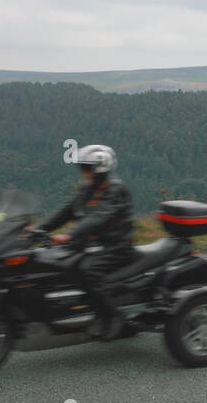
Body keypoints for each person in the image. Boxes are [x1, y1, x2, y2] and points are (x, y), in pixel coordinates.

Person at [38, 144, 135, 340]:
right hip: (93, 244)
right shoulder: (88, 188)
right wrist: (39, 229)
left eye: (87, 167)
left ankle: (114, 316)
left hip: (117, 246)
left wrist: (69, 235)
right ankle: (84, 311)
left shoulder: (115, 189)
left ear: (101, 168)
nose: (83, 171)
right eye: (82, 167)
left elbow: (98, 218)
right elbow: (66, 212)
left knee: (88, 271)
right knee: (59, 262)